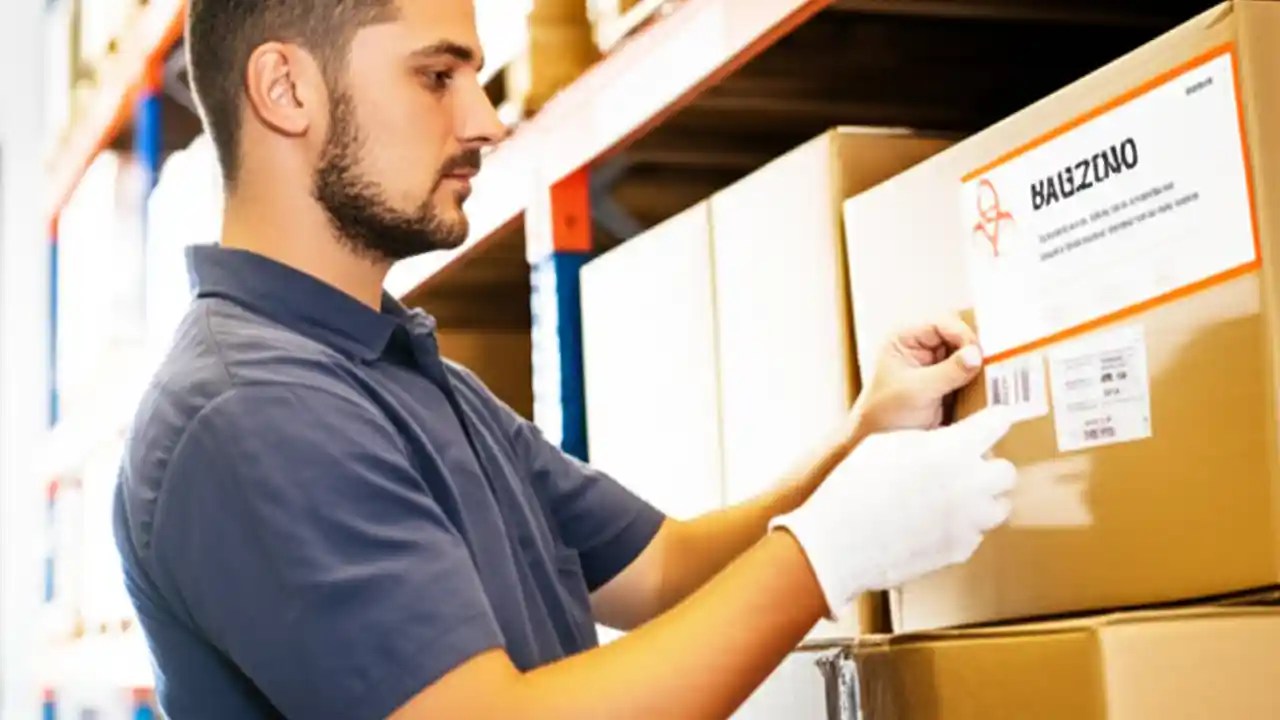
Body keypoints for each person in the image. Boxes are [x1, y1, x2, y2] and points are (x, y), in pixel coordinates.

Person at [112, 1, 1017, 718]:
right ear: (286, 89)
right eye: (438, 76)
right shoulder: (253, 412)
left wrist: (863, 436)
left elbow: (663, 569)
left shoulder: (402, 373)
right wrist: (826, 556)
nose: (485, 121)